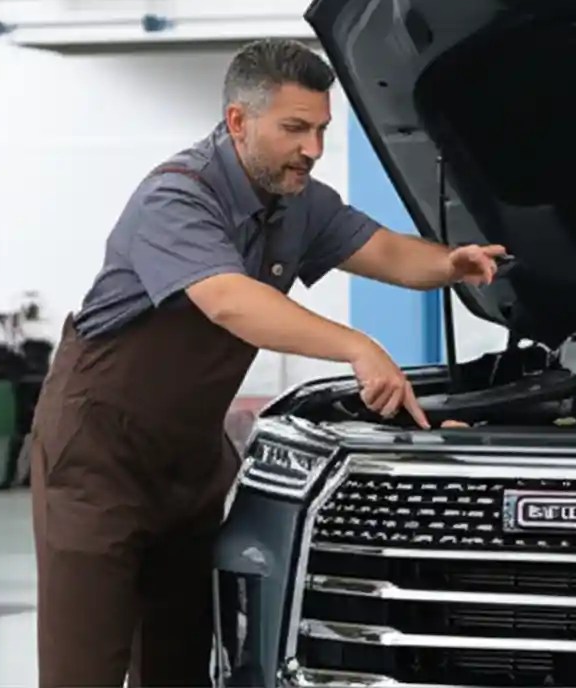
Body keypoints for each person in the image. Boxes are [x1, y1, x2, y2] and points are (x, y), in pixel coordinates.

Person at [27, 38, 505, 688]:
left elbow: (386, 251)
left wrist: (448, 264)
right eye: (296, 129)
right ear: (237, 122)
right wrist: (357, 345)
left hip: (189, 463)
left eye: (321, 130)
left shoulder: (300, 204)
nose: (313, 147)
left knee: (179, 664)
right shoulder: (176, 198)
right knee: (84, 667)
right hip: (97, 460)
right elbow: (229, 302)